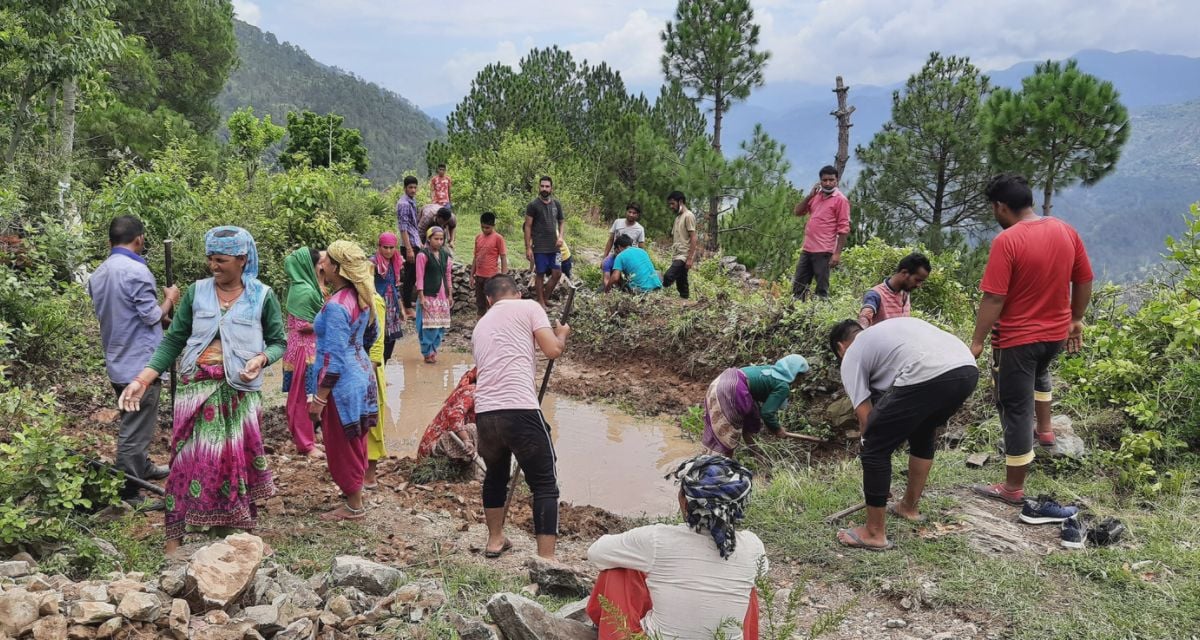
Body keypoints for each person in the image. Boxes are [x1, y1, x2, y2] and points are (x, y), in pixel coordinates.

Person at [118, 226, 284, 554]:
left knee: (233, 463)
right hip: (198, 390)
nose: (213, 265)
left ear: (241, 259)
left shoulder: (262, 296)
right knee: (185, 464)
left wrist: (262, 359)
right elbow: (174, 340)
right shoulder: (197, 293)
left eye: (221, 260)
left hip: (239, 393)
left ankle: (233, 535)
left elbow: (279, 341)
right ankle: (173, 540)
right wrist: (142, 379)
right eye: (210, 259)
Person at [969, 174, 1093, 505]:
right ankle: (1047, 431)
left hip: (1017, 340)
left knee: (1015, 407)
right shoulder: (1065, 230)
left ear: (1000, 207)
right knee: (1041, 376)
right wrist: (1076, 319)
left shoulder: (1007, 241)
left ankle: (1012, 487)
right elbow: (1083, 279)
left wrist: (977, 341)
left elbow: (994, 298)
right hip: (1055, 335)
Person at [828, 317, 979, 550]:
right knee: (924, 431)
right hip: (966, 368)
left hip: (927, 371)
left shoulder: (852, 353)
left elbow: (866, 417)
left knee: (874, 447)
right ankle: (909, 507)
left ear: (840, 347)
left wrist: (876, 462)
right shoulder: (887, 332)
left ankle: (874, 533)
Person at [586, 455, 765, 640]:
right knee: (747, 587)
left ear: (684, 501)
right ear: (739, 508)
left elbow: (596, 552)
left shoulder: (657, 539)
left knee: (620, 569)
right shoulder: (754, 546)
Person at [472, 274, 570, 559]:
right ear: (516, 292)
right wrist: (562, 333)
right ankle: (546, 560)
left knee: (495, 476)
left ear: (489, 299)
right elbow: (551, 350)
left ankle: (494, 540)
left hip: (486, 413)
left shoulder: (480, 325)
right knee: (544, 483)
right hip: (520, 408)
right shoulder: (528, 306)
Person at [88, 215, 179, 506]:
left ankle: (142, 468)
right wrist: (170, 298)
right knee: (135, 428)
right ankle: (129, 490)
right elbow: (153, 316)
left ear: (110, 240)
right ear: (139, 239)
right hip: (140, 365)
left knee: (136, 421)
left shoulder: (99, 273)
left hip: (117, 360)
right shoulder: (136, 272)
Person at [307, 240, 380, 521]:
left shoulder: (338, 306)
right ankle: (355, 492)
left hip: (342, 385)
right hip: (361, 374)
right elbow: (369, 337)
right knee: (356, 438)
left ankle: (353, 505)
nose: (321, 263)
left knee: (341, 443)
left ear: (336, 268)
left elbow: (334, 359)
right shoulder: (361, 297)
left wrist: (319, 398)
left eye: (325, 259)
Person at [701, 355, 809, 456]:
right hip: (732, 390)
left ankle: (752, 453)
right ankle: (722, 466)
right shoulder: (783, 386)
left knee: (747, 419)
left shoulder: (769, 371)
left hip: (720, 382)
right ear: (795, 374)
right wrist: (777, 429)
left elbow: (752, 419)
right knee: (729, 434)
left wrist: (756, 451)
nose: (800, 382)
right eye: (801, 378)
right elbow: (767, 413)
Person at [282, 247, 325, 458]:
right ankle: (306, 444)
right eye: (319, 265)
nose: (321, 269)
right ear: (310, 266)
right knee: (302, 398)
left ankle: (308, 438)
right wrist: (328, 322)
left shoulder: (302, 287)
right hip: (303, 350)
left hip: (301, 348)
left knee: (306, 395)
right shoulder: (305, 292)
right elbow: (303, 325)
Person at [792, 165, 851, 300]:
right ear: (820, 181)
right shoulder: (816, 196)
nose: (828, 183)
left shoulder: (840, 200)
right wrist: (809, 196)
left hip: (824, 251)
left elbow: (844, 228)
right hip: (807, 249)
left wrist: (836, 254)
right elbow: (797, 212)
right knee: (798, 286)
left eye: (831, 180)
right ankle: (795, 316)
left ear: (836, 181)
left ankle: (819, 317)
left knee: (821, 290)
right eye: (825, 180)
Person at [417, 368, 479, 463]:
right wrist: (466, 440)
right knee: (473, 429)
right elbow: (455, 416)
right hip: (433, 449)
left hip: (449, 445)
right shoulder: (472, 391)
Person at [857, 252, 931, 328]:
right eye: (917, 280)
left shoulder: (905, 293)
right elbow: (865, 316)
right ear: (904, 272)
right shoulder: (876, 294)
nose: (918, 285)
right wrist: (861, 328)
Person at [523, 175, 565, 308]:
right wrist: (528, 247)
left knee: (557, 273)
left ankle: (545, 298)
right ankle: (540, 301)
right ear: (539, 187)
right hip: (539, 247)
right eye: (542, 186)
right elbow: (528, 226)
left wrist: (561, 237)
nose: (544, 189)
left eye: (547, 186)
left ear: (551, 188)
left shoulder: (556, 204)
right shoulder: (533, 205)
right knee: (540, 273)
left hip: (555, 247)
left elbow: (561, 222)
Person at [415, 226, 453, 364]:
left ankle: (434, 350)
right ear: (429, 239)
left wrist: (450, 294)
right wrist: (421, 297)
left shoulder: (445, 255)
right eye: (436, 239)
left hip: (442, 294)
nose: (439, 242)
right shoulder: (422, 255)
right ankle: (427, 352)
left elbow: (448, 275)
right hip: (428, 294)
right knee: (427, 325)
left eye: (441, 239)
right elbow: (419, 277)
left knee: (439, 325)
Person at [371, 232, 405, 362]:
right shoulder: (373, 263)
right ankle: (376, 376)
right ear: (379, 247)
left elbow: (395, 286)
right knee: (377, 340)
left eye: (392, 247)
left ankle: (382, 374)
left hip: (392, 308)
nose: (389, 251)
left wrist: (401, 308)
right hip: (377, 306)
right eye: (385, 247)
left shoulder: (394, 262)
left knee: (389, 342)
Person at [366, 292, 388, 489]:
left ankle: (369, 475)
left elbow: (377, 343)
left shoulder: (374, 301)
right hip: (353, 370)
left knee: (370, 424)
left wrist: (367, 373)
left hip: (367, 372)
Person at [470, 212, 508, 316]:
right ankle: (480, 323)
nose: (485, 230)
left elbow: (503, 257)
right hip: (479, 276)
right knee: (480, 304)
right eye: (483, 227)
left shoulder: (498, 238)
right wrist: (471, 275)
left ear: (493, 226)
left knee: (492, 303)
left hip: (491, 277)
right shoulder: (478, 237)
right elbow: (475, 257)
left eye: (487, 227)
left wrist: (504, 277)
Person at [395, 175, 422, 319]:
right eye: (410, 187)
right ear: (405, 188)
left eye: (415, 187)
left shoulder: (411, 201)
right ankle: (406, 307)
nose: (413, 190)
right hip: (409, 245)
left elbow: (413, 226)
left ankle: (408, 304)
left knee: (414, 275)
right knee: (410, 277)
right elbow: (403, 228)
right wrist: (410, 248)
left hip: (414, 242)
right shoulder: (403, 204)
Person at [662, 191, 698, 299]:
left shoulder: (689, 216)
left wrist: (690, 258)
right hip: (676, 254)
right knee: (681, 281)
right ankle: (685, 302)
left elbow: (694, 237)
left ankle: (655, 291)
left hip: (684, 255)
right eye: (670, 204)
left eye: (673, 204)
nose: (671, 206)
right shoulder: (677, 218)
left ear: (680, 201)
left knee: (668, 276)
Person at [601, 203, 646, 276]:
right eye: (629, 212)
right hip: (615, 255)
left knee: (625, 281)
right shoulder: (617, 222)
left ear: (637, 215)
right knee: (607, 274)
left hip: (629, 259)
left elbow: (641, 249)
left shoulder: (640, 229)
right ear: (626, 212)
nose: (631, 214)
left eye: (634, 213)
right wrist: (604, 257)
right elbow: (610, 240)